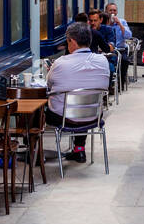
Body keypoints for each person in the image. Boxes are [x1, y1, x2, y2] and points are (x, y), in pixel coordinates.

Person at [46, 22, 112, 162]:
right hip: (94, 115)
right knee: (83, 104)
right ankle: (79, 149)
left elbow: (49, 85)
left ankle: (34, 152)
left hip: (64, 117)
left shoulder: (60, 63)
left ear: (73, 41)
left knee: (39, 110)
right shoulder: (102, 61)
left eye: (67, 40)